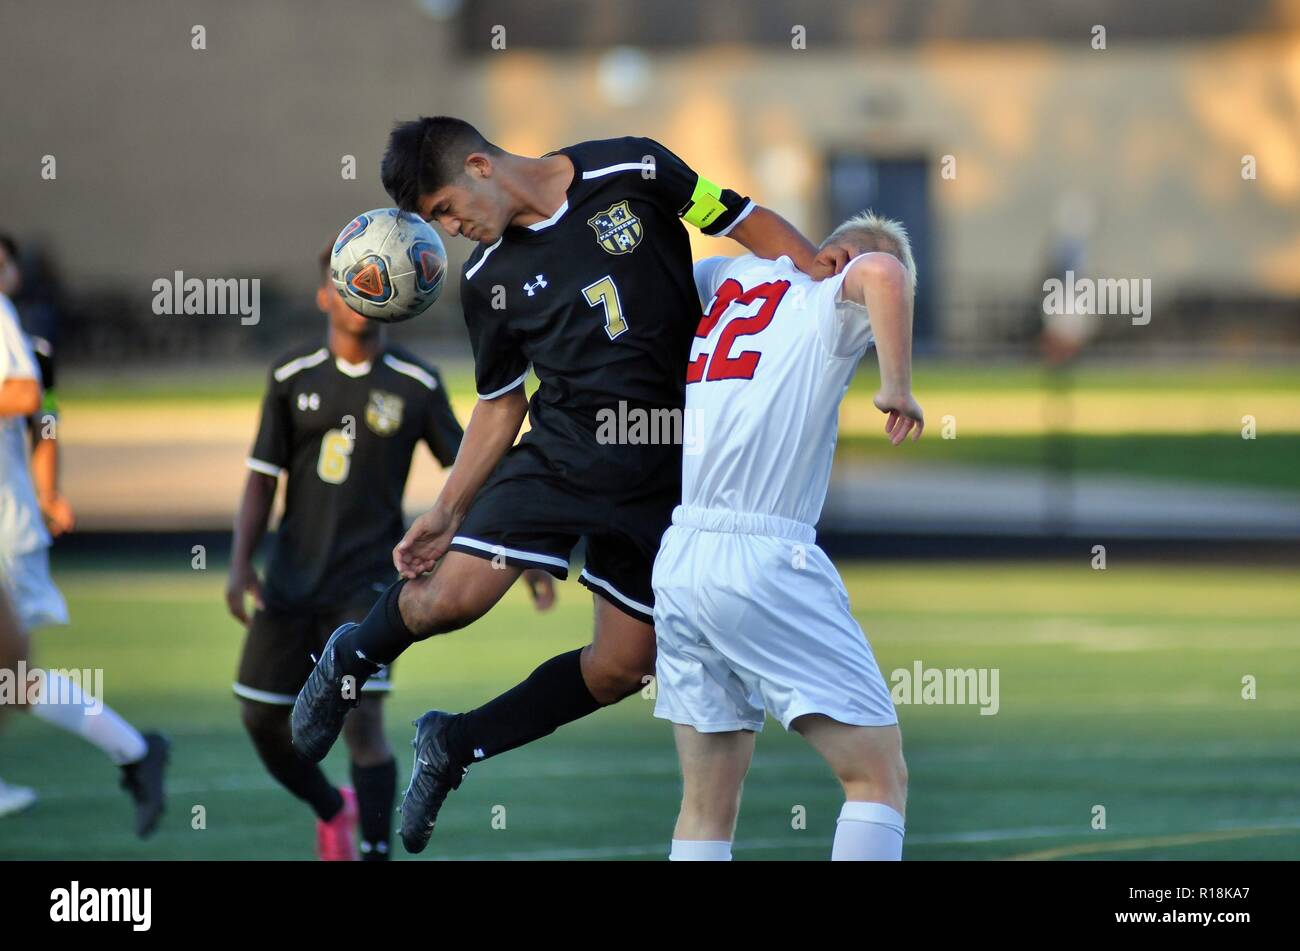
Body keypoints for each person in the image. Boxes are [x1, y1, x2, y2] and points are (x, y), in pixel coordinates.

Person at [291, 116, 829, 853]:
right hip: (562, 454)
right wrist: (447, 509)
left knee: (621, 668)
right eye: (435, 222)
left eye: (446, 209)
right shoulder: (487, 281)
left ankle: (454, 743)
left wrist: (818, 276)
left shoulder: (633, 169)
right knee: (452, 597)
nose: (451, 229)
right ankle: (351, 657)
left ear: (480, 164)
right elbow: (501, 400)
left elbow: (740, 219)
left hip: (665, 471)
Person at [229, 244, 554, 860]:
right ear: (328, 293)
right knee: (260, 720)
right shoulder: (290, 375)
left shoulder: (415, 383)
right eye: (347, 280)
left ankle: (374, 852)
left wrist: (527, 556)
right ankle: (333, 809)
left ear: (394, 297)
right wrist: (241, 561)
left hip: (371, 583)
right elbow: (260, 477)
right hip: (291, 578)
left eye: (376, 280)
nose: (360, 292)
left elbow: (473, 468)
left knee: (363, 723)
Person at [652, 211, 923, 860]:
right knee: (877, 775)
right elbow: (884, 273)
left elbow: (660, 285)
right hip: (765, 554)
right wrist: (898, 386)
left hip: (683, 556)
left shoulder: (733, 275)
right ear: (843, 256)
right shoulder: (832, 291)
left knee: (706, 804)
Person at [0, 233, 168, 835]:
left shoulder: (7, 320)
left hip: (5, 527)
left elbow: (28, 400)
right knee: (10, 680)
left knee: (12, 677)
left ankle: (136, 751)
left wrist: (45, 492)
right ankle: (135, 751)